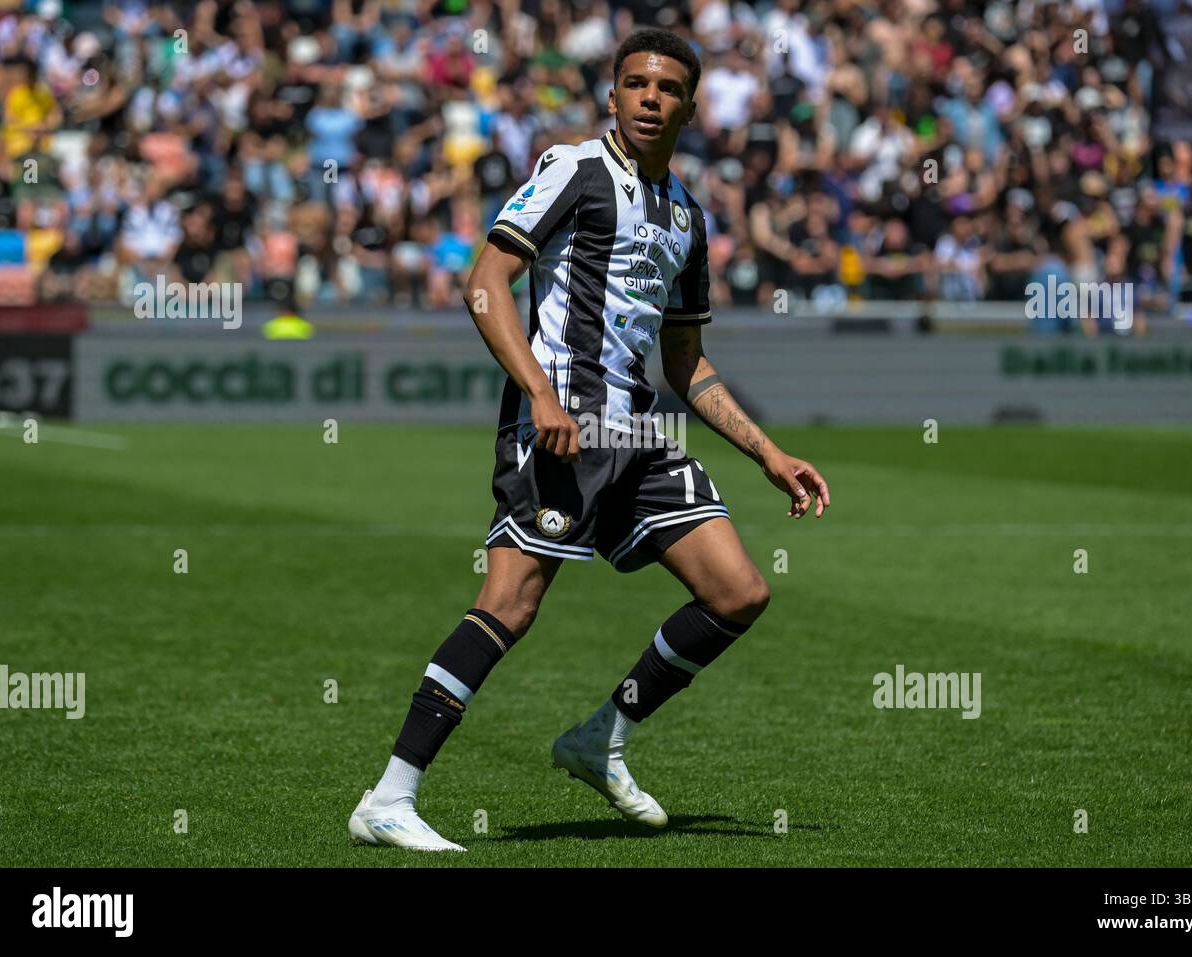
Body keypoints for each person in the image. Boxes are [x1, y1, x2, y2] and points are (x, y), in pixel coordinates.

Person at [348, 28, 830, 852]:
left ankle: (600, 736)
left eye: (667, 87)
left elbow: (686, 361)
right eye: (635, 83)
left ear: (688, 104)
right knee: (509, 603)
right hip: (562, 423)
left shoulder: (686, 215)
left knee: (739, 591)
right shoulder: (574, 170)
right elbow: (485, 281)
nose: (650, 97)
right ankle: (388, 797)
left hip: (638, 428)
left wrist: (767, 452)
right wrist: (539, 392)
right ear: (612, 95)